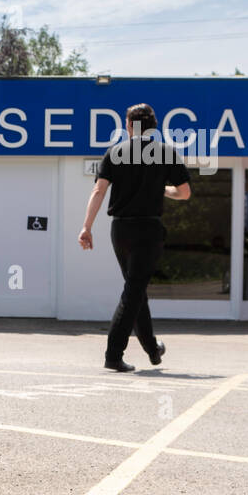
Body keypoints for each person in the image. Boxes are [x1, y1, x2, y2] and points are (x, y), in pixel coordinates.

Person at [78, 103, 192, 372]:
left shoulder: (115, 152)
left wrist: (86, 227)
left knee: (135, 288)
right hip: (148, 230)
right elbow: (184, 193)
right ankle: (113, 355)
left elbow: (98, 191)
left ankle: (153, 349)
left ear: (129, 125)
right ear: (153, 126)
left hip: (120, 231)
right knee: (133, 290)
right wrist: (161, 190)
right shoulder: (165, 152)